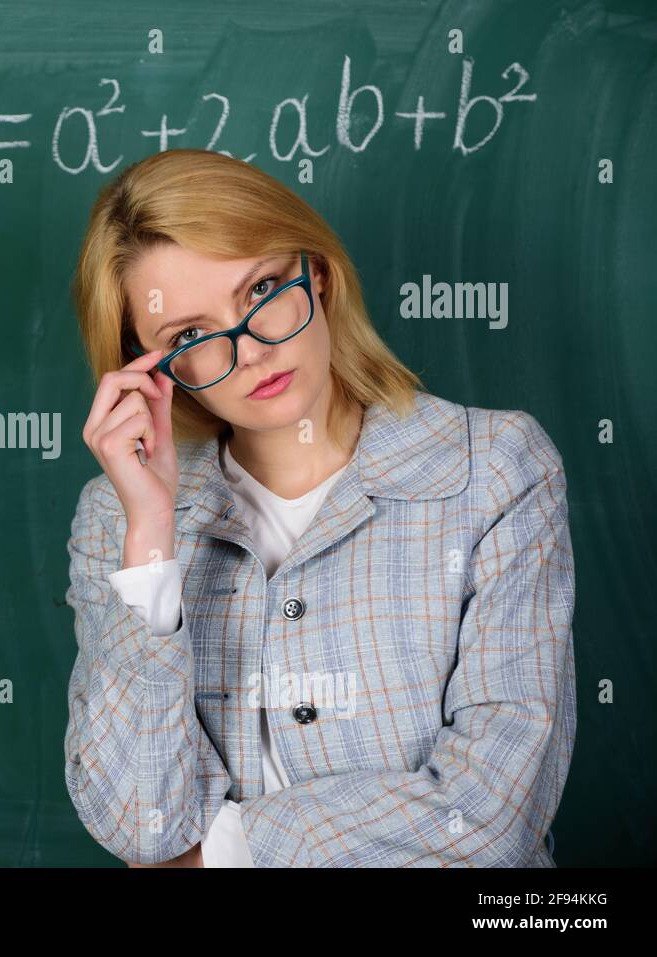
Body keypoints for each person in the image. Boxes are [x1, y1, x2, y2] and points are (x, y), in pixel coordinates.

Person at [62, 148, 576, 867]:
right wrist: (152, 539)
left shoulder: (494, 470)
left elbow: (491, 817)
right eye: (190, 336)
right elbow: (143, 824)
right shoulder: (116, 522)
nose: (249, 352)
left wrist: (225, 854)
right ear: (148, 371)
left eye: (263, 288)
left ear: (319, 273)